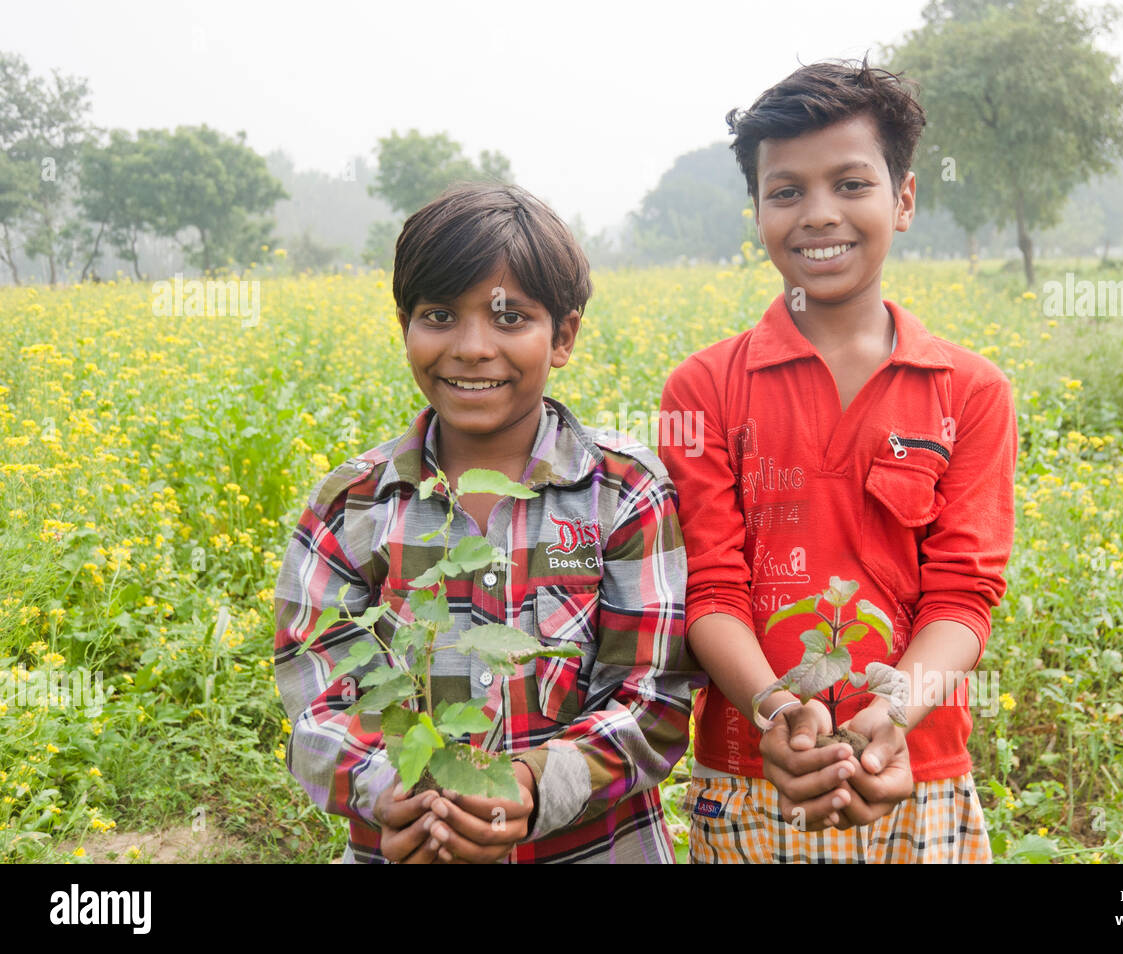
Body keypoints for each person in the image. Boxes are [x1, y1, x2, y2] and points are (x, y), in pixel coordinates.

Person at [658, 57, 1018, 863]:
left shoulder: (971, 391)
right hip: (749, 775)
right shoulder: (703, 387)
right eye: (786, 192)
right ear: (756, 212)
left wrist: (892, 717)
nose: (819, 215)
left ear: (906, 198)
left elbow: (963, 597)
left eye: (851, 184)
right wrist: (776, 710)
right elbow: (712, 587)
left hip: (914, 769)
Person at [274, 183, 699, 863]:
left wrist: (533, 786)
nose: (472, 347)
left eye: (509, 319)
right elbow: (312, 690)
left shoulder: (622, 492)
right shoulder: (352, 503)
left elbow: (654, 697)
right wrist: (386, 787)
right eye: (439, 315)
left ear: (562, 336)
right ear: (405, 326)